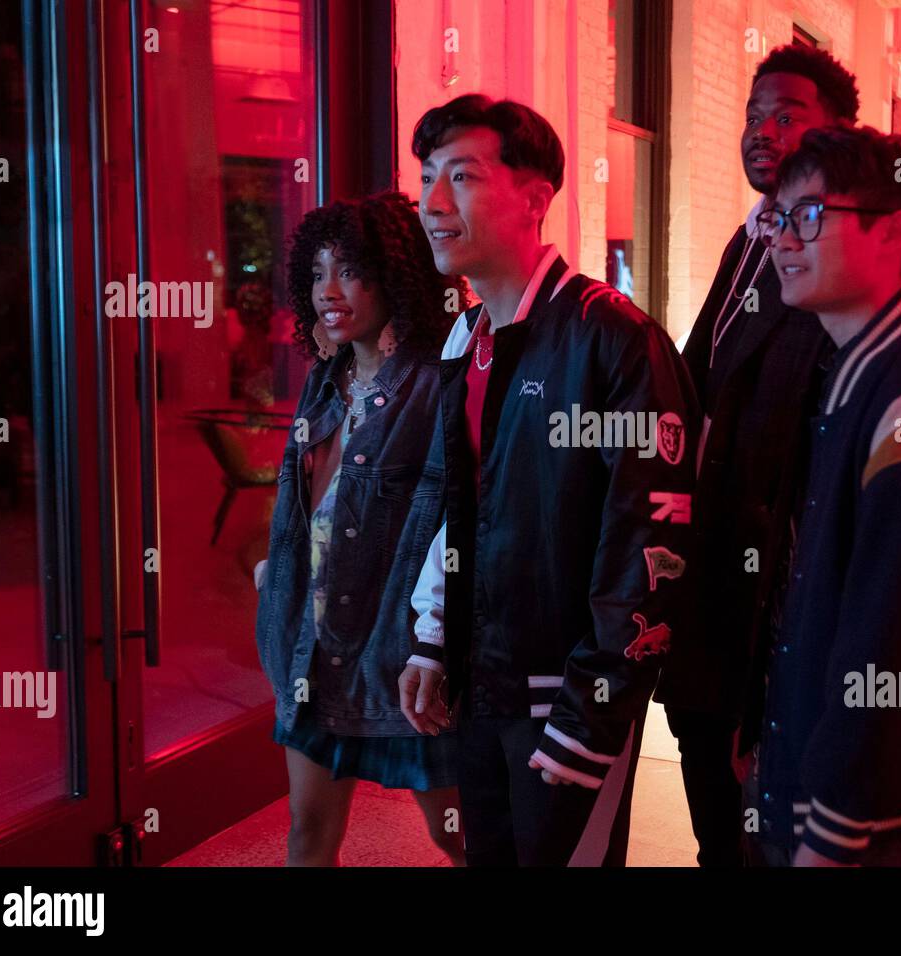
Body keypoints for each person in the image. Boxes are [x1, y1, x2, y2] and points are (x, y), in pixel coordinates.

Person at [399, 94, 699, 866]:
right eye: (428, 177)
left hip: (567, 703)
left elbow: (650, 539)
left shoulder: (613, 340)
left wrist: (595, 712)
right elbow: (457, 508)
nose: (433, 202)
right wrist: (433, 642)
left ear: (536, 198)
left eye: (461, 177)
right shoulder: (467, 338)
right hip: (479, 690)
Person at [742, 125, 901, 866]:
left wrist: (835, 822)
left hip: (863, 831)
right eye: (776, 218)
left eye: (809, 216)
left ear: (893, 232)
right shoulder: (859, 368)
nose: (783, 240)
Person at [654, 42, 854, 868]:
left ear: (837, 136)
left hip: (773, 612)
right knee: (717, 827)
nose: (761, 130)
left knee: (764, 833)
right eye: (751, 113)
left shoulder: (842, 259)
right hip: (708, 593)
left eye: (786, 116)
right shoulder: (750, 243)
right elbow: (698, 381)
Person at [253, 191, 468, 866]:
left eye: (348, 269)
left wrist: (437, 644)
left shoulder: (436, 386)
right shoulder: (325, 381)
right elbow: (308, 503)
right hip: (313, 646)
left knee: (460, 835)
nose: (328, 291)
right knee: (308, 835)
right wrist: (273, 574)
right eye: (317, 274)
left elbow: (456, 519)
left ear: (394, 276)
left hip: (396, 651)